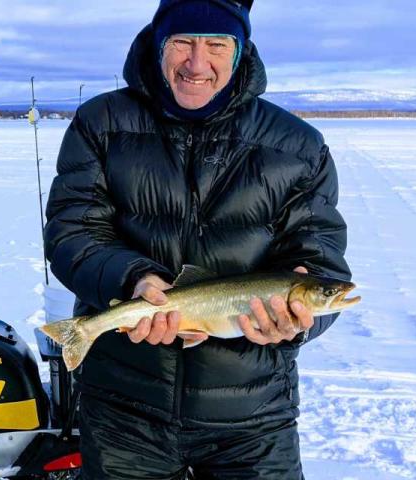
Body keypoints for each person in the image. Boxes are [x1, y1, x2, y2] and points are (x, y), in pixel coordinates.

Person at [43, 0, 351, 477]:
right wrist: (132, 279)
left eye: (216, 44)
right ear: (158, 43)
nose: (196, 63)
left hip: (253, 422)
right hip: (125, 412)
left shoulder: (298, 146)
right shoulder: (100, 123)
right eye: (182, 41)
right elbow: (72, 232)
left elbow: (323, 266)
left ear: (241, 50)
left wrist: (300, 324)